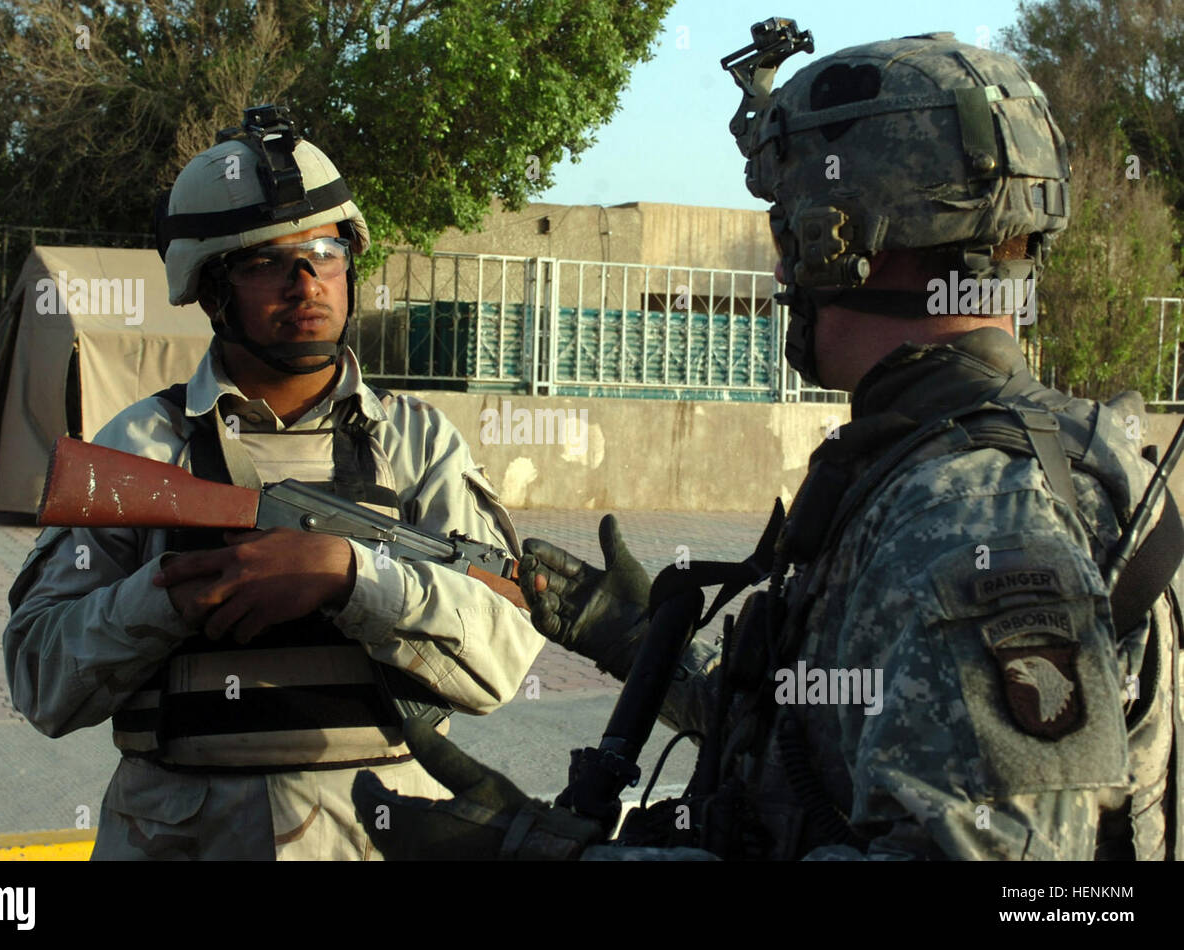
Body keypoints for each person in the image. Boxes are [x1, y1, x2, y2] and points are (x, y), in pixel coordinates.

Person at [350, 28, 1184, 860]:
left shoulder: (974, 515)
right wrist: (639, 645)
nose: (782, 274)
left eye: (788, 234)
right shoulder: (958, 463)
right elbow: (843, 731)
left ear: (841, 239)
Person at [3, 105, 544, 860]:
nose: (305, 282)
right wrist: (169, 596)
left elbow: (500, 664)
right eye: (265, 263)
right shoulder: (143, 446)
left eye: (324, 253)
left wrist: (352, 577)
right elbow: (39, 681)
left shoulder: (418, 443)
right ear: (212, 289)